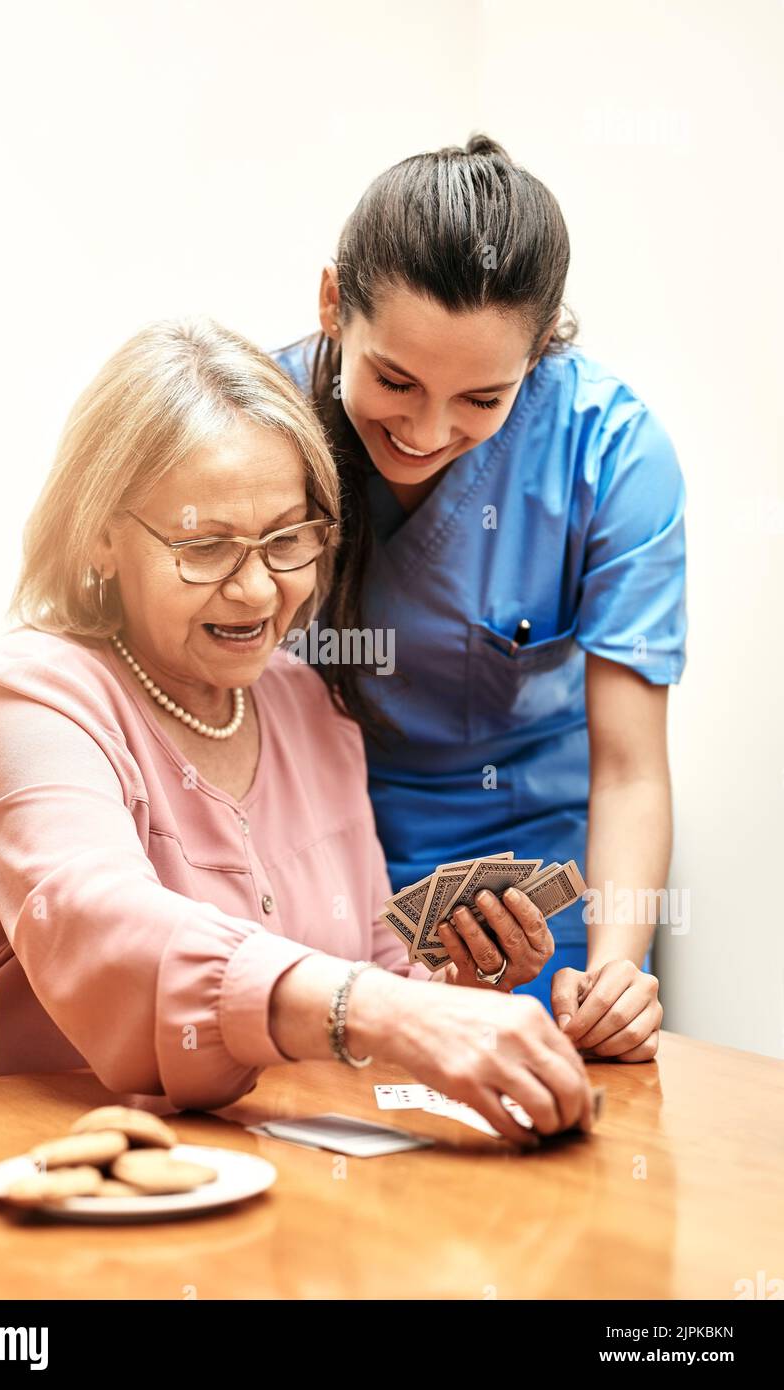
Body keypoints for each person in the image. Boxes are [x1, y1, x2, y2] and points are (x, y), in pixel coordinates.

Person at [0, 316, 592, 1144]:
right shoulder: (25, 695)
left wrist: (455, 985)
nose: (257, 592)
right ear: (99, 539)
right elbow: (98, 917)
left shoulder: (311, 706)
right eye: (204, 547)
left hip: (261, 1190)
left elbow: (368, 974)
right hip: (46, 1189)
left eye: (287, 539)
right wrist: (385, 1011)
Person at [273, 134, 684, 1061]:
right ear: (334, 305)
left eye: (482, 400)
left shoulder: (610, 456)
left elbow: (629, 768)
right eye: (392, 380)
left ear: (537, 354)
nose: (424, 432)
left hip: (532, 913)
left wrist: (616, 975)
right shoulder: (258, 427)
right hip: (309, 888)